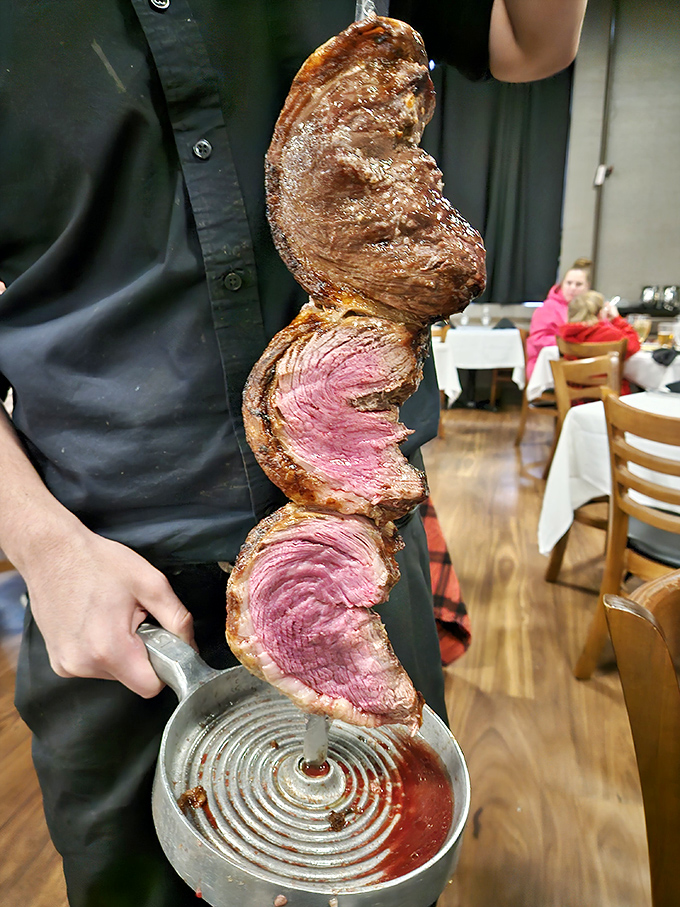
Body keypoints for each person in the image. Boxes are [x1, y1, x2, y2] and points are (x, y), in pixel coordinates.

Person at [0, 2, 588, 904]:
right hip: (101, 567)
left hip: (358, 551)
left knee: (379, 880)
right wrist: (42, 547)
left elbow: (533, 41)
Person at [558, 290, 641, 394]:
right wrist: (617, 320)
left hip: (576, 399)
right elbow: (634, 346)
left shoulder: (565, 334)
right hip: (609, 399)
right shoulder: (609, 335)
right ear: (600, 312)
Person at [525, 256, 592, 379]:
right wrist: (569, 343)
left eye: (578, 284)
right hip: (546, 365)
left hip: (577, 362)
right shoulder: (547, 308)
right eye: (569, 283)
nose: (572, 288)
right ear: (561, 285)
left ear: (587, 287)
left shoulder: (591, 308)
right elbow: (537, 341)